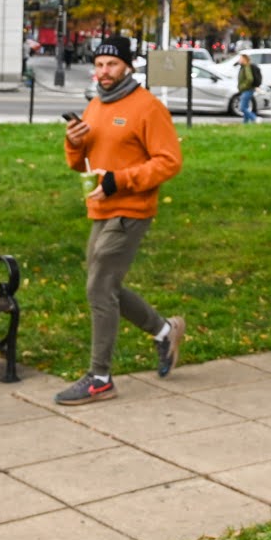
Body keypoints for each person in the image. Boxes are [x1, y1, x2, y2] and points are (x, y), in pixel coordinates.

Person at [57, 38, 186, 405]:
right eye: (99, 64)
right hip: (100, 208)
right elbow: (79, 163)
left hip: (131, 208)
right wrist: (73, 143)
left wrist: (119, 180)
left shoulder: (147, 107)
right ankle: (165, 331)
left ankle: (100, 378)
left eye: (112, 64)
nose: (104, 71)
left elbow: (169, 161)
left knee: (100, 288)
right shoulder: (96, 105)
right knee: (105, 285)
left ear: (128, 67)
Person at [235, 52, 261, 123]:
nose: (239, 60)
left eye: (240, 58)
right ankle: (245, 123)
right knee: (245, 107)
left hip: (247, 90)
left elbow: (249, 79)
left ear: (244, 59)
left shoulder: (246, 67)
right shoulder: (243, 67)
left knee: (242, 107)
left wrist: (243, 86)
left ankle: (255, 119)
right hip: (246, 90)